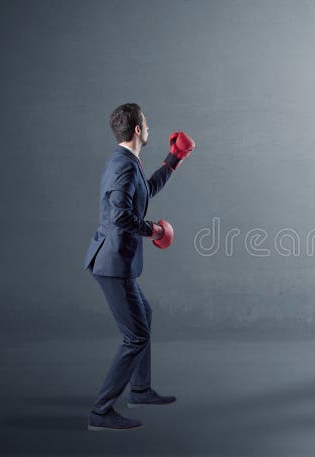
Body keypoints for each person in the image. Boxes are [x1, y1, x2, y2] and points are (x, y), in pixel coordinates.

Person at [83, 103, 196, 431]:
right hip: (112, 264)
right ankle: (101, 411)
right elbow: (119, 217)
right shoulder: (123, 167)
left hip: (116, 262)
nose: (149, 128)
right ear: (136, 130)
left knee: (143, 316)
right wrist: (154, 230)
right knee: (135, 337)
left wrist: (174, 160)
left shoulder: (126, 162)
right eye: (145, 123)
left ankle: (141, 390)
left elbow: (144, 192)